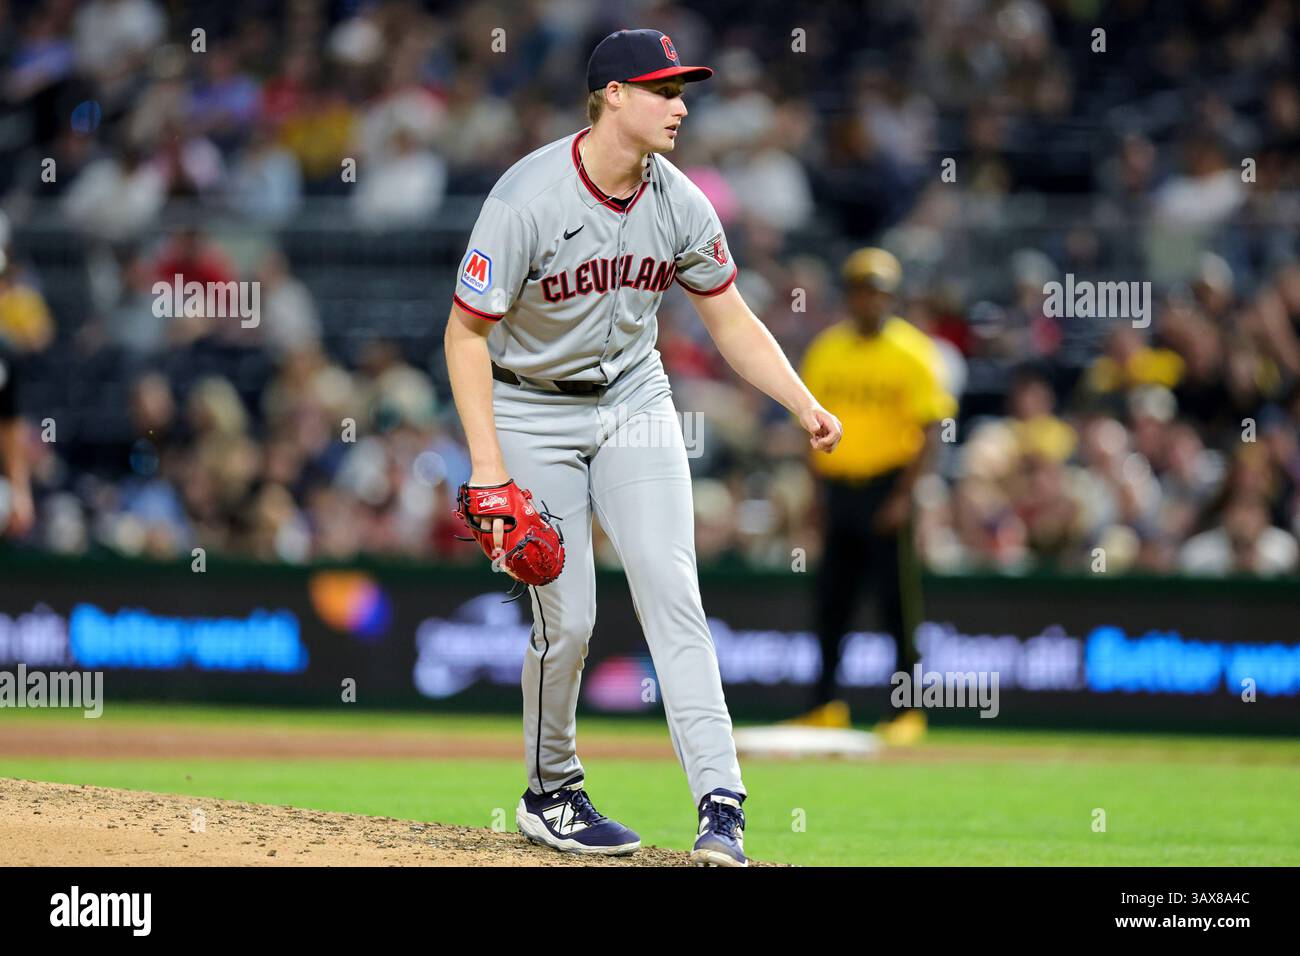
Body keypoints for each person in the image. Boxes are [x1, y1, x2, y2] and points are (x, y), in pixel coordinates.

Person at [443, 29, 842, 866]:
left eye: (681, 89)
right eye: (663, 89)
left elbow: (728, 317)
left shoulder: (681, 200)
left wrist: (801, 401)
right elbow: (466, 334)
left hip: (633, 400)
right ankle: (551, 792)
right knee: (573, 617)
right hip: (529, 406)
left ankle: (721, 805)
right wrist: (486, 466)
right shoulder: (529, 196)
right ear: (612, 96)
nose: (681, 105)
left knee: (674, 592)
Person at [794, 248, 955, 745]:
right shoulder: (826, 350)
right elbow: (810, 426)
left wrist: (905, 497)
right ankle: (825, 705)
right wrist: (817, 494)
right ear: (850, 296)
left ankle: (906, 711)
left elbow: (931, 431)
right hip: (840, 486)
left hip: (889, 485)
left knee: (897, 605)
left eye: (880, 292)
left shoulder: (911, 351)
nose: (872, 301)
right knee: (831, 602)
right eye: (863, 291)